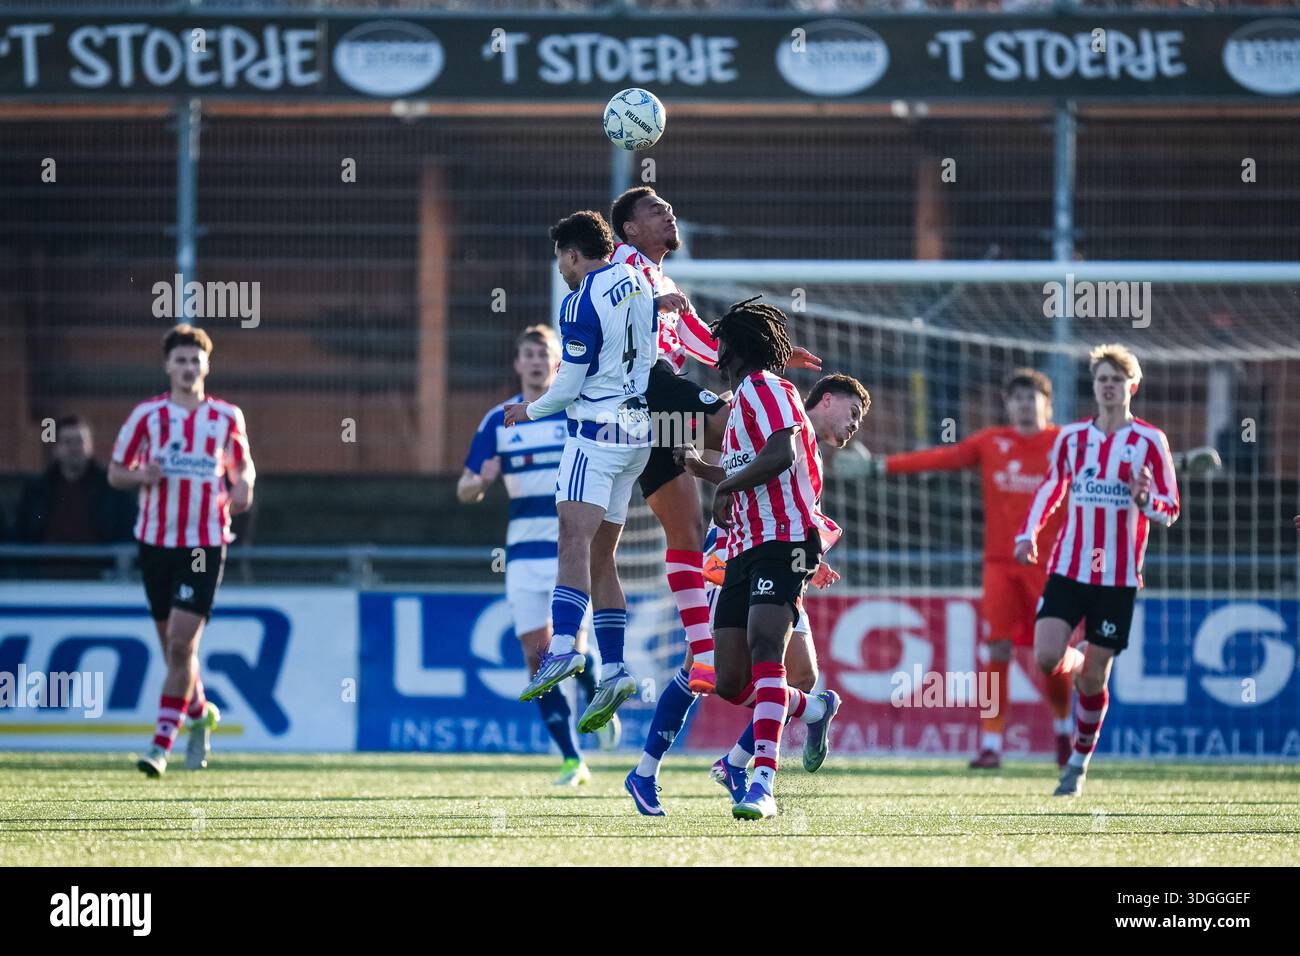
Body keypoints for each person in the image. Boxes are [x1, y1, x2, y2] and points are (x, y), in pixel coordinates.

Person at [623, 373, 868, 816]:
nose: (855, 426)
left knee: (802, 672)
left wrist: (811, 557)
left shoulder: (804, 443)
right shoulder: (775, 415)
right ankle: (645, 770)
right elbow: (741, 466)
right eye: (853, 413)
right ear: (826, 399)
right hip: (734, 553)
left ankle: (736, 762)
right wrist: (698, 467)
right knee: (705, 671)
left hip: (782, 560)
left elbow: (788, 503)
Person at [609, 187, 821, 693]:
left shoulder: (663, 279)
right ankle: (772, 513)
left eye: (670, 208)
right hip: (644, 384)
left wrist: (768, 348)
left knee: (686, 524)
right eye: (657, 209)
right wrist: (648, 306)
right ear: (630, 229)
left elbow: (707, 345)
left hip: (657, 402)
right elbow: (596, 314)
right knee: (741, 417)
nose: (670, 213)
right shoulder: (616, 271)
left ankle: (703, 652)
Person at [668, 297, 842, 820]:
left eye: (722, 343)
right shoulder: (743, 397)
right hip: (744, 546)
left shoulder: (770, 388)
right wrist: (703, 472)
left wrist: (725, 487)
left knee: (768, 647)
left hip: (785, 542)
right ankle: (813, 708)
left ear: (738, 350)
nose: (715, 351)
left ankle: (762, 781)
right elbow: (748, 473)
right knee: (727, 681)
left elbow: (780, 456)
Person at [856, 369, 1075, 769]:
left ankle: (1064, 733)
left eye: (1033, 397)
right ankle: (992, 745)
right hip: (999, 565)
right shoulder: (992, 442)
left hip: (1049, 567)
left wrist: (1174, 465)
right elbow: (941, 457)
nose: (1025, 404)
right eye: (1018, 397)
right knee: (998, 649)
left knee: (1051, 656)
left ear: (1048, 403)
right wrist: (880, 466)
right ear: (1007, 405)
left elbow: (1107, 465)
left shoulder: (1064, 443)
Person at [507, 210, 655, 736]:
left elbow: (567, 387)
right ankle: (613, 668)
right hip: (638, 434)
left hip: (595, 431)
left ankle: (565, 646)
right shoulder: (639, 282)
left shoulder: (580, 298)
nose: (561, 272)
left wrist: (531, 409)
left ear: (572, 254)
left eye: (560, 261)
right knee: (600, 555)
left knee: (571, 539)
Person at [1016, 344, 1179, 797]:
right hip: (1069, 566)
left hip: (1119, 577)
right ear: (1095, 386)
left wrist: (1145, 500)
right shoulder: (1072, 438)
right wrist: (1028, 533)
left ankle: (1078, 763)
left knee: (1093, 679)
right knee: (1047, 657)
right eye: (1101, 379)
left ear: (1133, 386)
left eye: (1116, 379)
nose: (1108, 386)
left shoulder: (1150, 441)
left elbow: (1171, 509)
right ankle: (1084, 655)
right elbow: (1052, 486)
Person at [459, 324, 608, 786]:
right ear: (518, 364)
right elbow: (463, 489)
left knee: (574, 652)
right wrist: (480, 482)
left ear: (557, 362)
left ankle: (596, 690)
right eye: (528, 354)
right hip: (522, 557)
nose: (537, 361)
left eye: (544, 353)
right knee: (538, 662)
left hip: (572, 552)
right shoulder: (499, 419)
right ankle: (571, 759)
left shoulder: (578, 414)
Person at [109, 324, 255, 777]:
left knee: (179, 644)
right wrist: (141, 476)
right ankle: (200, 716)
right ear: (167, 366)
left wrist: (244, 486)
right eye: (181, 360)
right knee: (176, 654)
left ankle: (159, 746)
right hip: (155, 543)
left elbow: (243, 467)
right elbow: (116, 471)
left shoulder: (227, 417)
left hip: (204, 542)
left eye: (196, 360)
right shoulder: (147, 417)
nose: (189, 368)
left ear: (206, 366)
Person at [16, 414, 136, 545]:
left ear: (91, 446)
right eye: (67, 442)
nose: (74, 448)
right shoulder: (36, 489)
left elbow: (127, 532)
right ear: (56, 448)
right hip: (48, 564)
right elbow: (22, 532)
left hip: (98, 564)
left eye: (80, 441)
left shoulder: (112, 487)